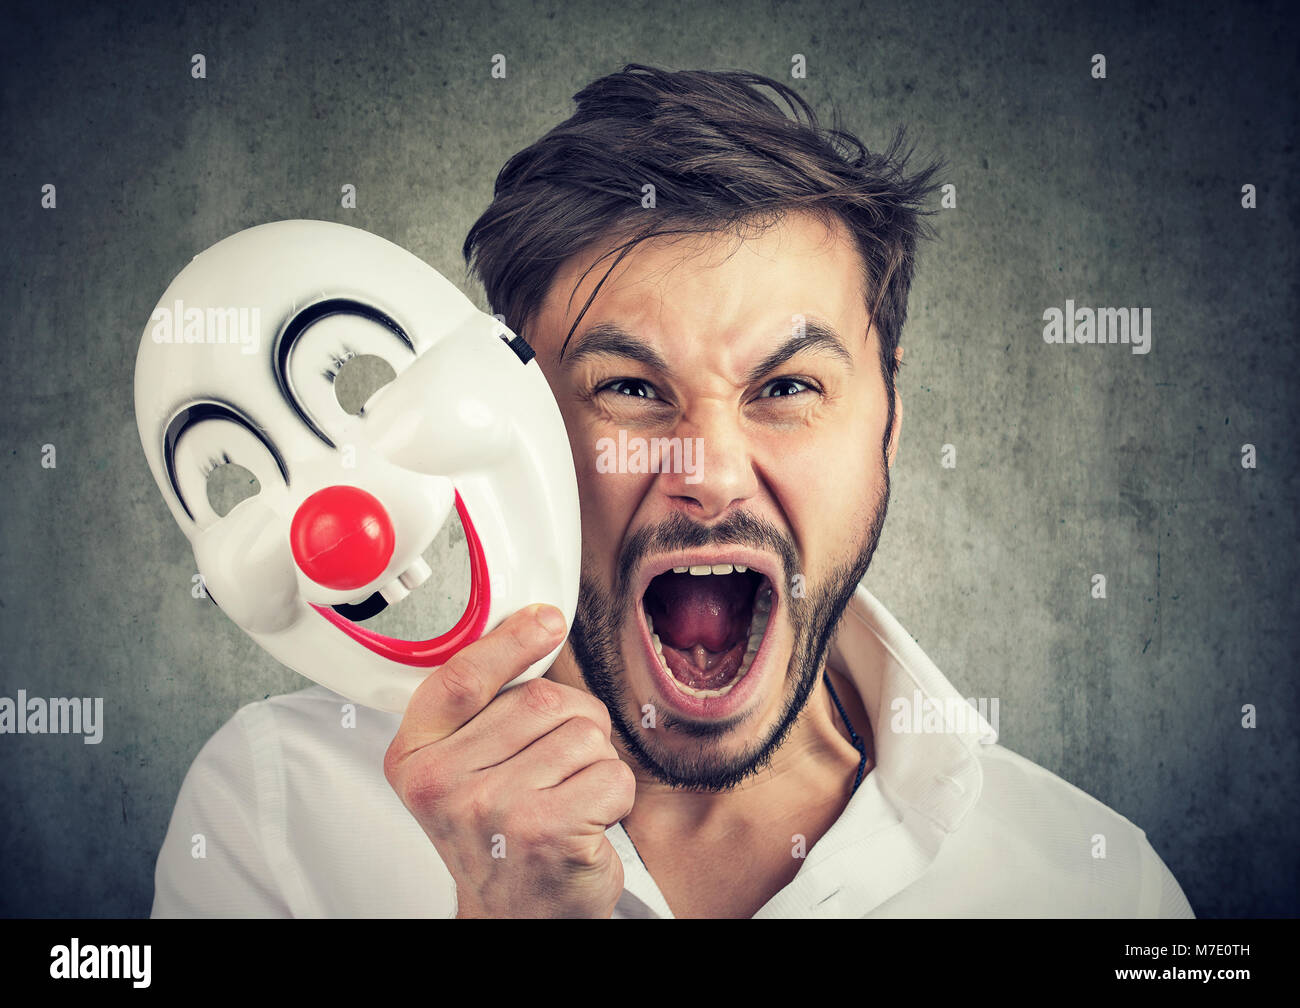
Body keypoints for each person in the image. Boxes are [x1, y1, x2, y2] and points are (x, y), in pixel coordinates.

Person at [152, 64, 1192, 918]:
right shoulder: (275, 810)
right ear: (524, 422)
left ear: (888, 419)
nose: (710, 474)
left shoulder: (1099, 890)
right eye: (630, 391)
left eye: (787, 388)